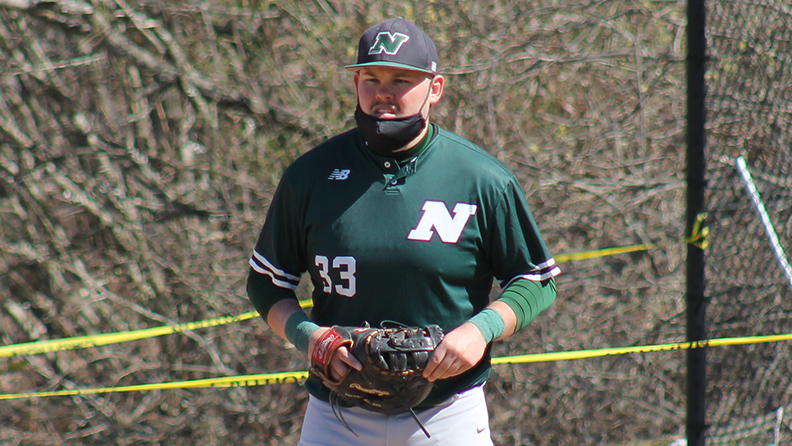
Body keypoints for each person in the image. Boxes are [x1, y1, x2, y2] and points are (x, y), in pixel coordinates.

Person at [247, 17, 560, 445]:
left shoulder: (478, 178)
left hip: (446, 411)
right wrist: (309, 337)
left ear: (435, 87)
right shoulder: (312, 175)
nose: (383, 92)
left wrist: (481, 328)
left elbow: (536, 280)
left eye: (401, 79)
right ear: (355, 82)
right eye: (371, 77)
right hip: (336, 412)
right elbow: (266, 284)